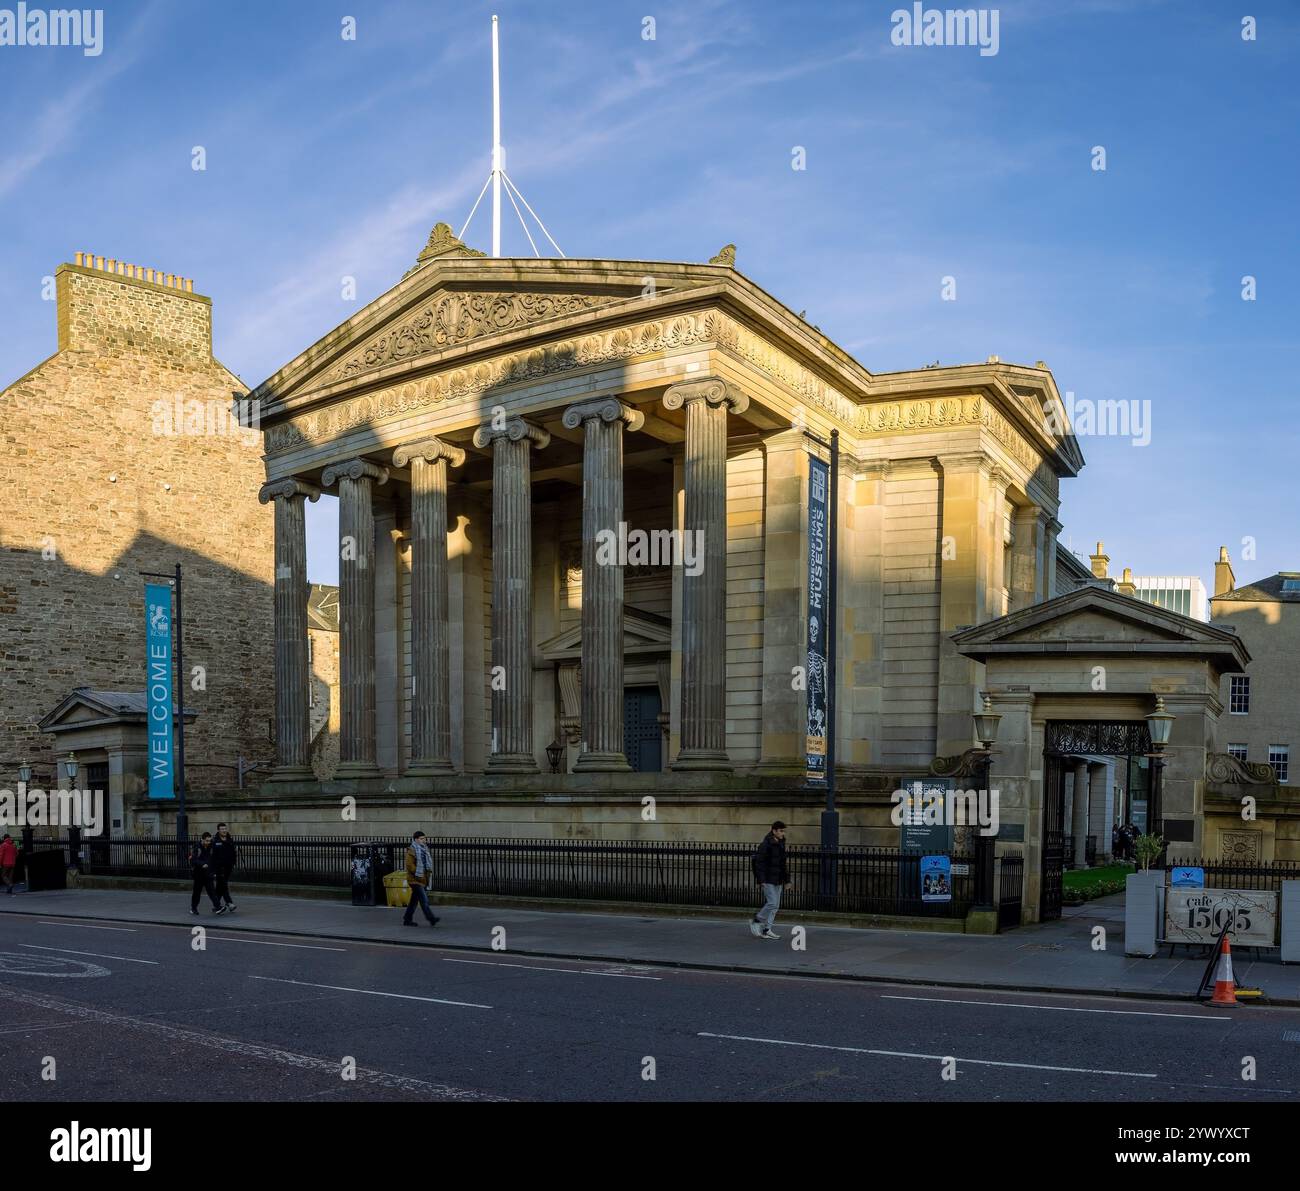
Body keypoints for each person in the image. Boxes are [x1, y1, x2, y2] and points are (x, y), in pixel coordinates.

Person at [749, 820, 790, 940]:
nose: (783, 833)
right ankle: (757, 920)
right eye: (781, 831)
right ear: (774, 831)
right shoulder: (765, 844)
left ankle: (767, 929)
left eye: (783, 831)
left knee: (775, 906)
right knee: (772, 903)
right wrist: (761, 880)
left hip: (778, 878)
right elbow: (759, 864)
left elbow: (783, 864)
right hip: (767, 878)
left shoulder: (781, 843)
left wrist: (787, 880)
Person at [401, 830, 440, 928]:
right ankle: (431, 918)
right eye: (422, 839)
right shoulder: (411, 850)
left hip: (421, 880)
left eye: (424, 838)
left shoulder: (424, 849)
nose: (424, 840)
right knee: (424, 900)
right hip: (414, 880)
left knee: (413, 901)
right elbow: (410, 865)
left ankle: (407, 919)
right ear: (416, 840)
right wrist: (420, 874)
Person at [189, 832, 222, 916]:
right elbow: (193, 860)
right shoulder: (197, 847)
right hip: (198, 873)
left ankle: (218, 907)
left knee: (212, 891)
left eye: (210, 841)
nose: (208, 842)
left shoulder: (211, 846)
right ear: (202, 840)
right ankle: (193, 908)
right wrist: (202, 864)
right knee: (197, 892)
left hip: (208, 873)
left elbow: (213, 859)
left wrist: (214, 871)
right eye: (207, 841)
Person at [211, 822, 238, 913]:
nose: (224, 830)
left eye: (225, 829)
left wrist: (234, 862)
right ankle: (229, 903)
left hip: (228, 866)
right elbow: (213, 856)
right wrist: (213, 869)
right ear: (218, 830)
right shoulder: (215, 841)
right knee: (223, 884)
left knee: (220, 886)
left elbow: (234, 852)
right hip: (219, 868)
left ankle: (216, 905)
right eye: (222, 829)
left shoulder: (230, 839)